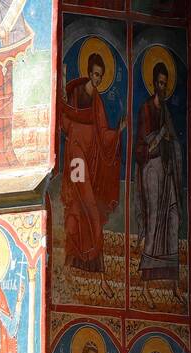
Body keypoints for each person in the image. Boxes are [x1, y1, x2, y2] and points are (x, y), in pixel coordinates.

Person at [60, 55, 124, 289]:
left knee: (83, 211)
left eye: (100, 75)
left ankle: (77, 268)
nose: (97, 79)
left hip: (91, 158)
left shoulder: (97, 101)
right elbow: (65, 119)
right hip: (77, 158)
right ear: (88, 71)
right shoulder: (76, 92)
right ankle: (93, 274)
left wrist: (117, 132)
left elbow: (103, 132)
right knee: (86, 207)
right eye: (95, 74)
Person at [133, 59, 182, 302]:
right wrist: (161, 135)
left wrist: (171, 144)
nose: (162, 88)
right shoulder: (146, 109)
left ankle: (174, 285)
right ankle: (145, 287)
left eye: (165, 85)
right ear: (153, 83)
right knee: (154, 222)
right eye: (159, 83)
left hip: (167, 170)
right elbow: (144, 147)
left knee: (174, 219)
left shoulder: (166, 113)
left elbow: (173, 142)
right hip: (152, 169)